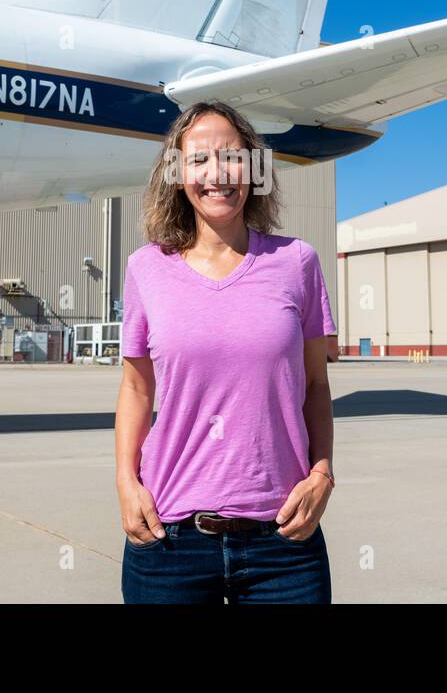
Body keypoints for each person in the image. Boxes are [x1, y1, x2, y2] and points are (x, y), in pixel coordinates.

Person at [115, 100, 337, 604]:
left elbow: (317, 384)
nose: (217, 174)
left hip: (284, 540)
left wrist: (322, 473)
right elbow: (135, 386)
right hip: (169, 539)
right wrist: (126, 484)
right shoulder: (146, 269)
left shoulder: (296, 262)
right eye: (198, 160)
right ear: (176, 175)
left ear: (255, 171)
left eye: (233, 157)